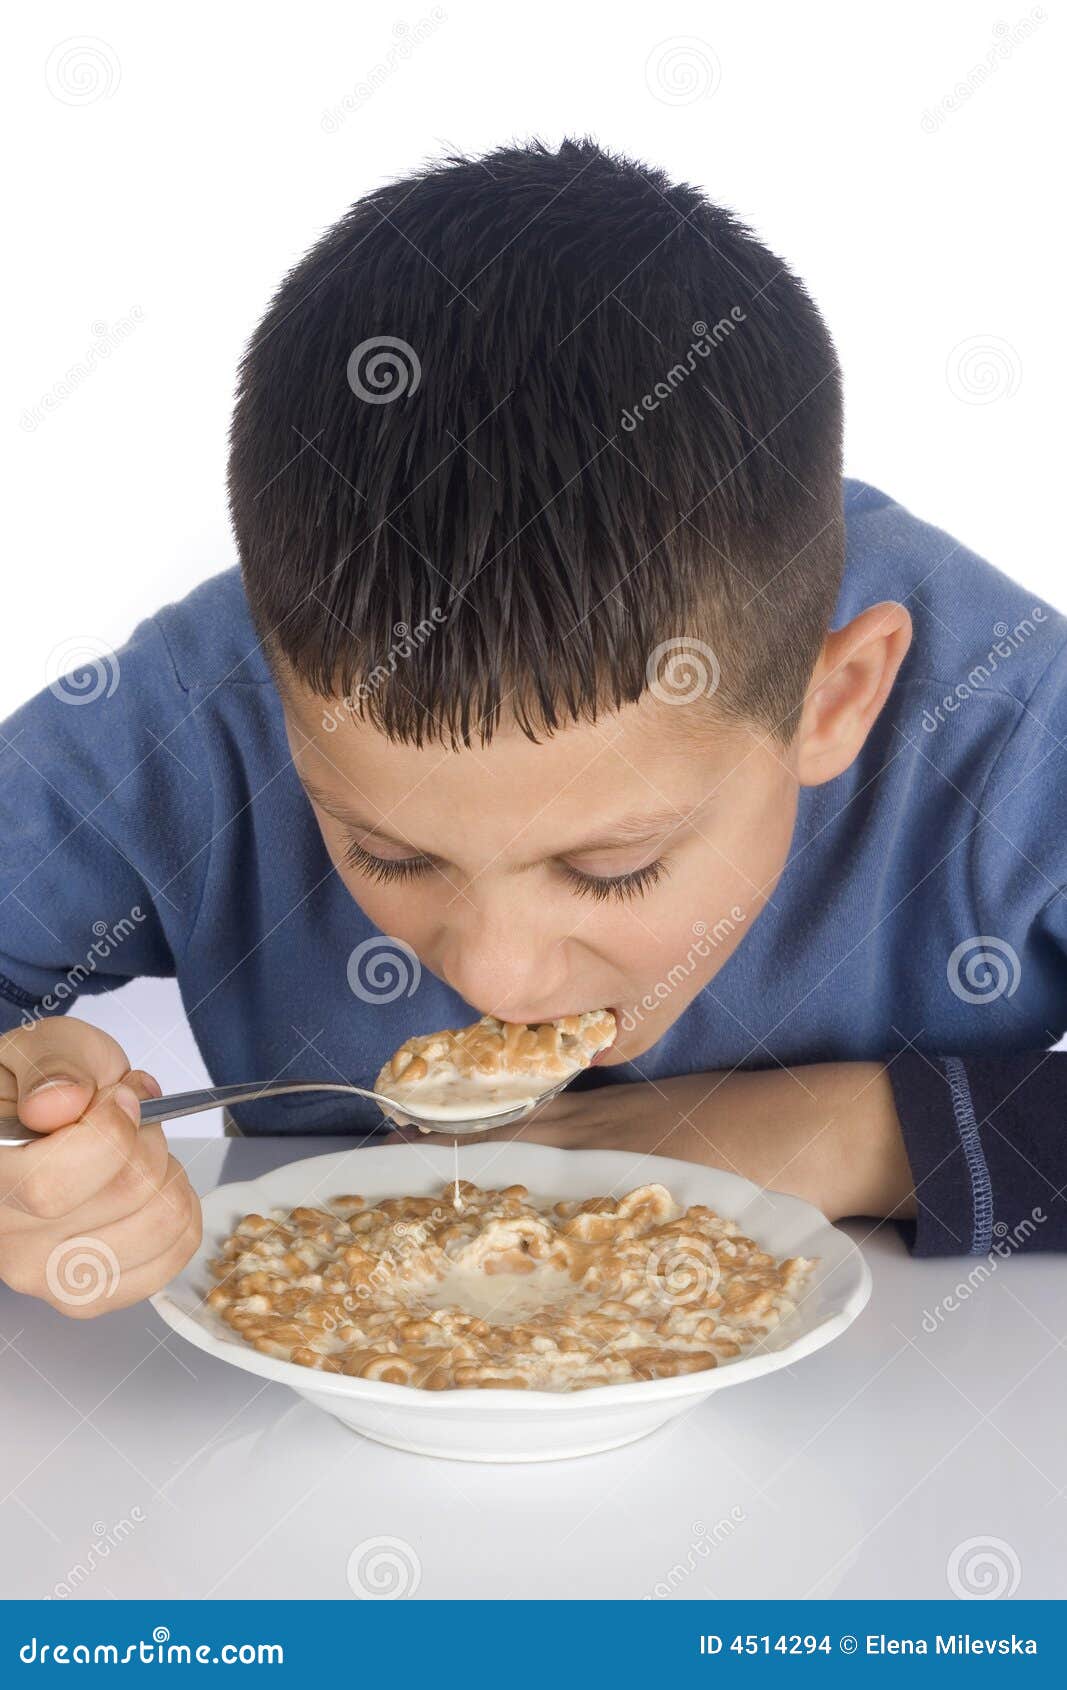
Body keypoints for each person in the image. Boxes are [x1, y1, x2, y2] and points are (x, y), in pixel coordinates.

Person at [3, 138, 1064, 1316]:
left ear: (835, 700)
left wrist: (859, 1132)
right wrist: (23, 1128)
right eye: (390, 853)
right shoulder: (200, 710)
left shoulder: (1008, 721)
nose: (498, 976)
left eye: (614, 866)